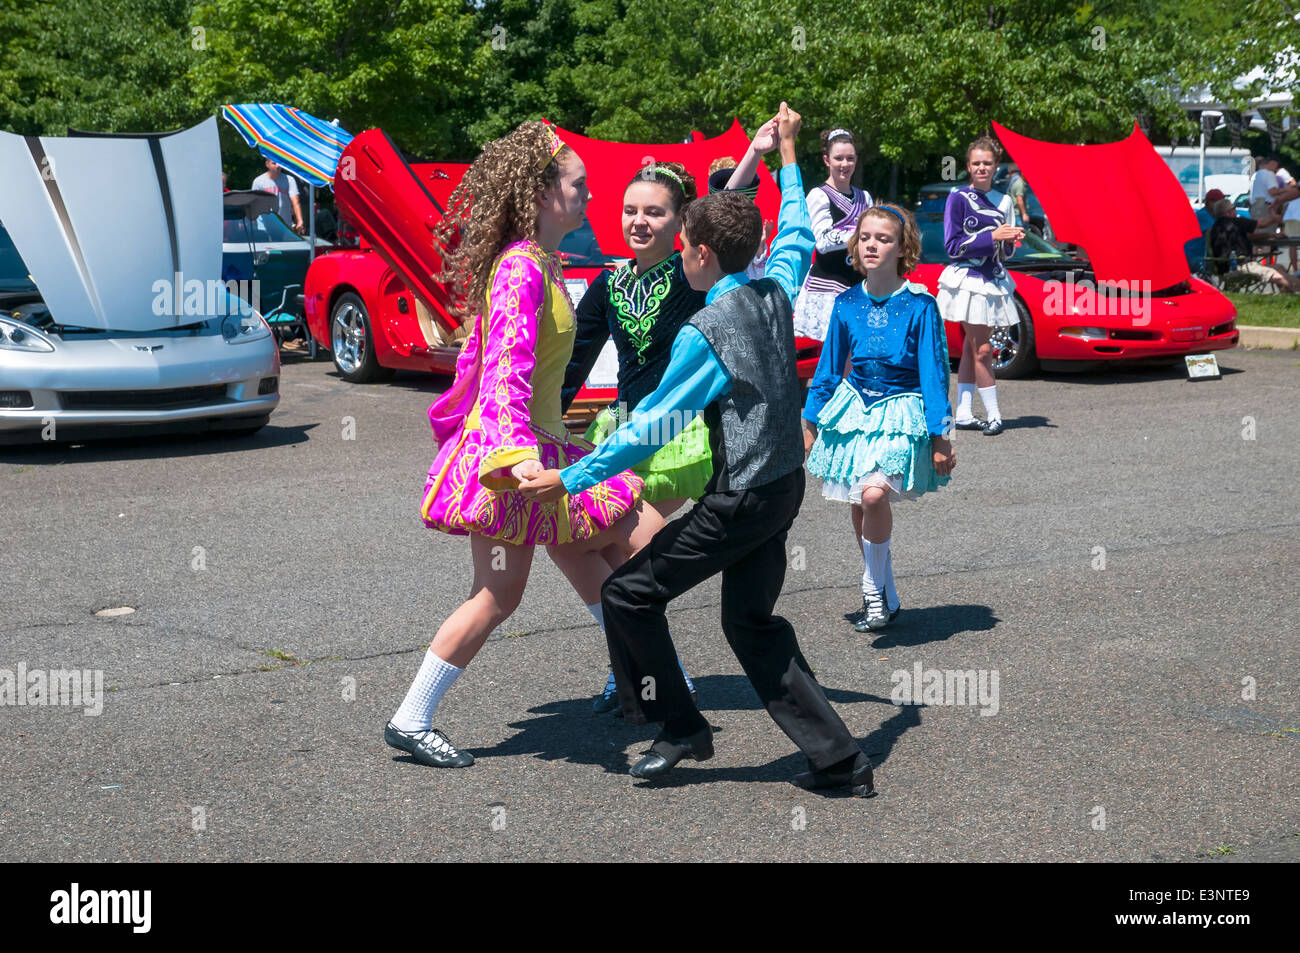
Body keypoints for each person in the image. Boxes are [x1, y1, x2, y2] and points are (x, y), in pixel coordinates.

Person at [521, 103, 878, 797]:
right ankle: (841, 760)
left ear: (701, 253)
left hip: (742, 496)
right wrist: (788, 154)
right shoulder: (777, 282)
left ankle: (681, 727)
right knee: (749, 621)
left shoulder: (706, 329)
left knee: (627, 594)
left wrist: (568, 482)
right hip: (783, 488)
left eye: (682, 241)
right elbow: (799, 225)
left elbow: (649, 426)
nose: (675, 249)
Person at [385, 121, 664, 769]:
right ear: (541, 194)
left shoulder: (542, 262)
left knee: (588, 552)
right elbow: (506, 371)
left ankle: (637, 675)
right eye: (580, 186)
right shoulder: (520, 269)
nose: (591, 198)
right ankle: (411, 715)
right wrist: (516, 460)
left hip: (541, 445)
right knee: (499, 594)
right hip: (513, 456)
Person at [803, 204, 955, 631]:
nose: (872, 245)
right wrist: (810, 422)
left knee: (872, 496)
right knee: (859, 504)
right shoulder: (846, 302)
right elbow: (830, 367)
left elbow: (933, 373)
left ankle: (870, 588)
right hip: (853, 410)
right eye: (866, 237)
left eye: (883, 238)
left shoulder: (921, 305)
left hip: (901, 410)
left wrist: (941, 435)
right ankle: (887, 594)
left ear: (901, 247)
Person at [937, 135, 1024, 437]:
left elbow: (1006, 253)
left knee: (974, 348)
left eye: (987, 163)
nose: (982, 168)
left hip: (993, 281)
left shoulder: (1005, 201)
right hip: (968, 283)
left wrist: (1011, 242)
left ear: (997, 166)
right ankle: (995, 415)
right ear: (968, 166)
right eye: (976, 163)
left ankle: (962, 412)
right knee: (983, 348)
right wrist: (993, 237)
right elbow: (952, 246)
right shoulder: (957, 197)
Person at [791, 127, 872, 342]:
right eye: (839, 158)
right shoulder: (819, 195)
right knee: (834, 355)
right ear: (827, 160)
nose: (845, 164)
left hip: (859, 284)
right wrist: (862, 234)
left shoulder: (865, 197)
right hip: (828, 287)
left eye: (850, 158)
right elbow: (822, 242)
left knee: (857, 354)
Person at [1208, 197, 1300, 292]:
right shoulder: (1235, 221)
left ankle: (1288, 300)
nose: (1235, 210)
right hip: (1241, 267)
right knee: (1278, 276)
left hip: (1226, 269)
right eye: (1234, 208)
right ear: (1228, 212)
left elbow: (1251, 236)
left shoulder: (1217, 227)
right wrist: (1275, 218)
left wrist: (1271, 235)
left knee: (1279, 267)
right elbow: (1261, 224)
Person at [251, 159, 305, 234]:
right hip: (264, 226)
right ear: (267, 164)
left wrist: (300, 220)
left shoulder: (289, 180)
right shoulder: (258, 181)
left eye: (280, 163)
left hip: (284, 225)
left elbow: (296, 202)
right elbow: (254, 204)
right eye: (274, 163)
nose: (278, 166)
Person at [1185, 188, 1223, 273]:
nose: (1221, 205)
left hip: (1199, 257)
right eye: (1218, 202)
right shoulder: (1203, 215)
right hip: (1195, 258)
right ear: (1208, 203)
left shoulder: (1211, 215)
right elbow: (1218, 233)